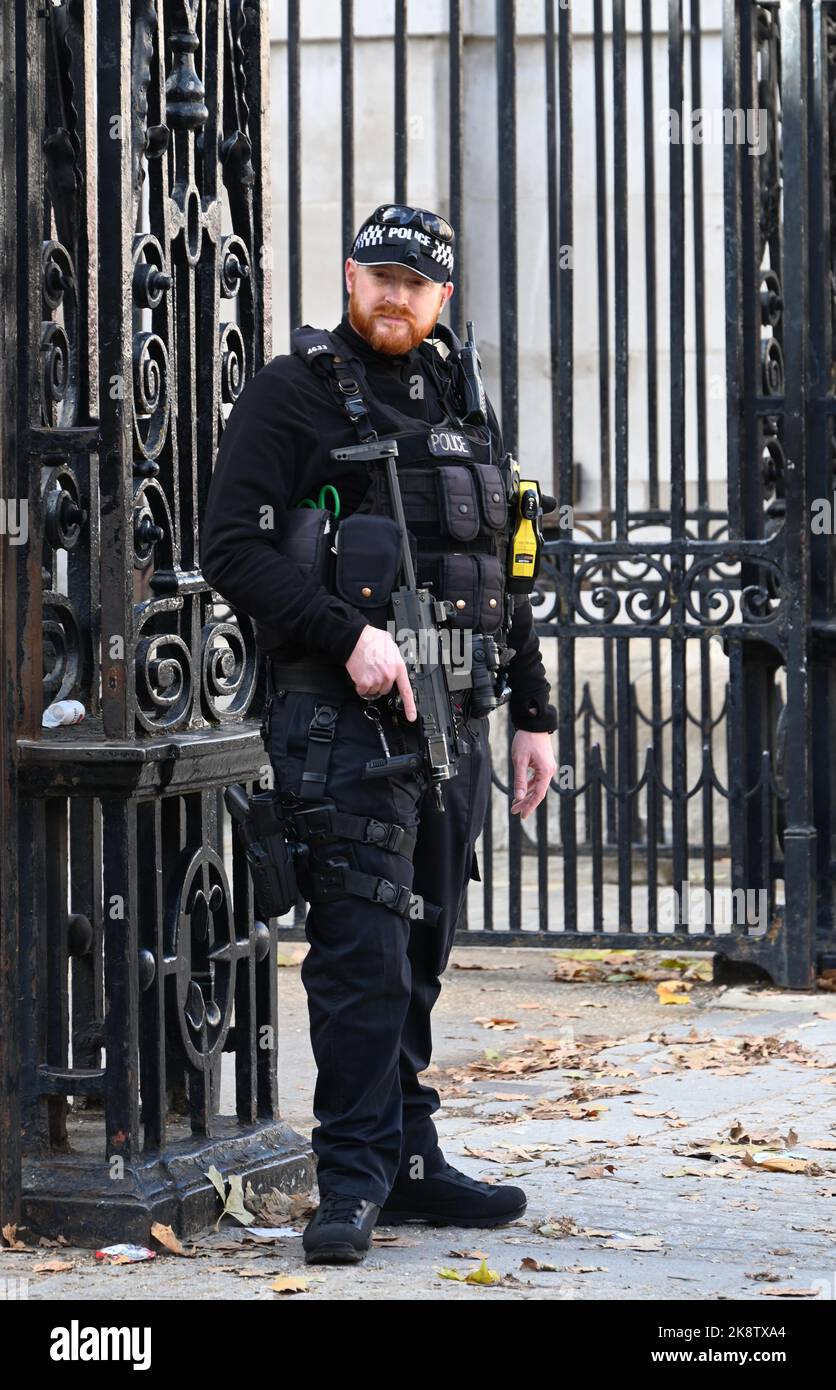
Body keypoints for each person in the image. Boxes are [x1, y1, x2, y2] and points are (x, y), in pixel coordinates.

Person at [201, 203, 558, 1265]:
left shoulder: (461, 394)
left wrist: (534, 707)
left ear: (442, 297)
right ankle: (348, 1178)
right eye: (378, 275)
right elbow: (230, 546)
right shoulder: (291, 393)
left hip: (456, 721)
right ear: (349, 278)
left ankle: (408, 1159)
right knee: (360, 957)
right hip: (339, 723)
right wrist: (344, 631)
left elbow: (503, 562)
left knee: (420, 951)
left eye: (415, 281)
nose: (394, 294)